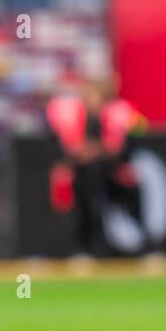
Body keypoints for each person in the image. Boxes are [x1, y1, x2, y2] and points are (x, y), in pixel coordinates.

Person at [46, 75, 151, 258]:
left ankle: (148, 246)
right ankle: (84, 248)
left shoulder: (120, 113)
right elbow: (63, 148)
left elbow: (135, 137)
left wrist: (103, 152)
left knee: (132, 194)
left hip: (111, 172)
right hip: (85, 175)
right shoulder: (73, 116)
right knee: (83, 197)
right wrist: (81, 155)